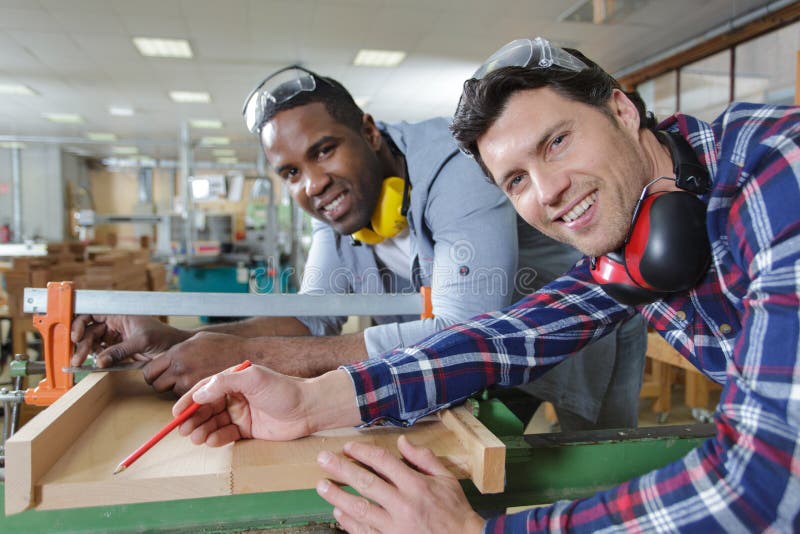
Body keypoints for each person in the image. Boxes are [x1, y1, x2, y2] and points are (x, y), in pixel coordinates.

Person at [172, 37, 800, 532]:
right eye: (516, 181)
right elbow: (501, 339)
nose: (548, 191)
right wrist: (315, 402)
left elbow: (760, 491)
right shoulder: (631, 234)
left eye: (557, 142)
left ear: (621, 108)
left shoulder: (779, 173)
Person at [71, 65, 646, 430]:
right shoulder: (338, 208)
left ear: (368, 132)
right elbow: (310, 320)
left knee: (595, 459)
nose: (312, 183)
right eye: (290, 172)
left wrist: (250, 357)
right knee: (475, 466)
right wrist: (181, 338)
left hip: (582, 326)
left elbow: (464, 331)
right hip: (479, 361)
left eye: (324, 151)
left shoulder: (454, 171)